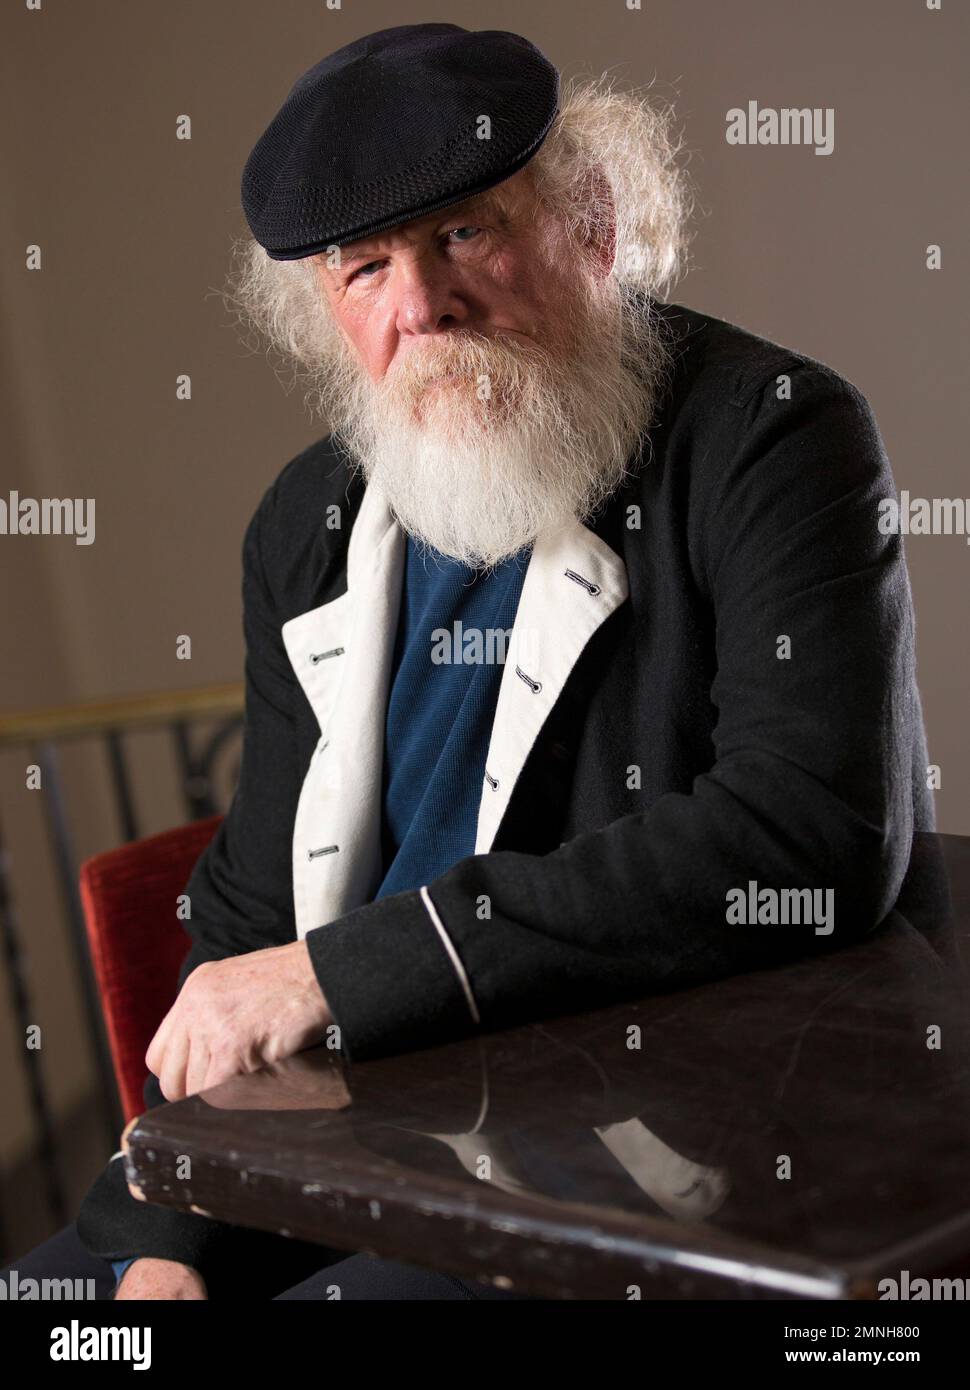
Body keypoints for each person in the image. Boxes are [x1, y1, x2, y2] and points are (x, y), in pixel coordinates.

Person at [5, 22, 934, 1300]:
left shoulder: (769, 437)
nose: (420, 304)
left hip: (632, 1137)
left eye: (464, 233)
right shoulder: (304, 522)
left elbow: (805, 832)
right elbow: (250, 908)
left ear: (592, 221)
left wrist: (341, 974)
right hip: (348, 1127)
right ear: (322, 313)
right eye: (364, 266)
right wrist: (176, 1227)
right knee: (64, 1320)